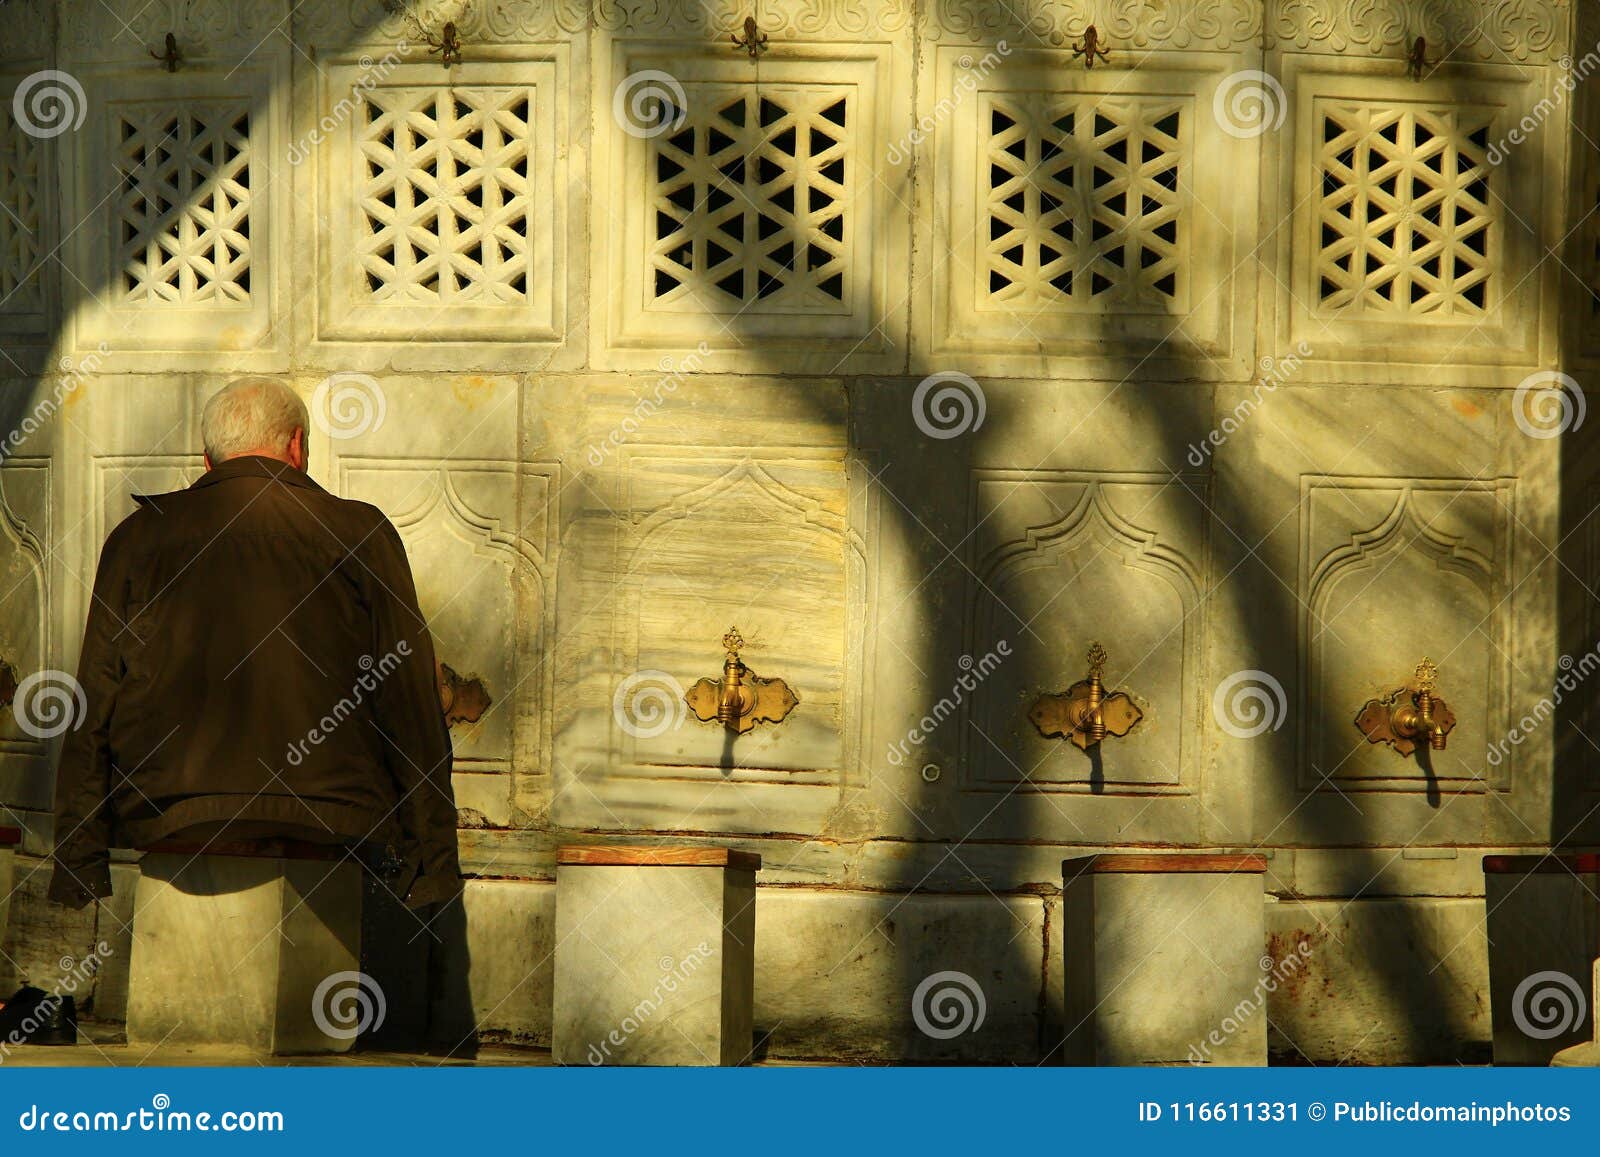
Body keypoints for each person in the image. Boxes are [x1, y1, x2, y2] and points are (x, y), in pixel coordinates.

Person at [48, 377, 460, 911]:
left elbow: (94, 698)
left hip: (171, 810)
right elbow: (408, 698)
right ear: (296, 445)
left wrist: (78, 861)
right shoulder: (359, 530)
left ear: (208, 458)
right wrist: (434, 863)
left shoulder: (138, 537)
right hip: (333, 815)